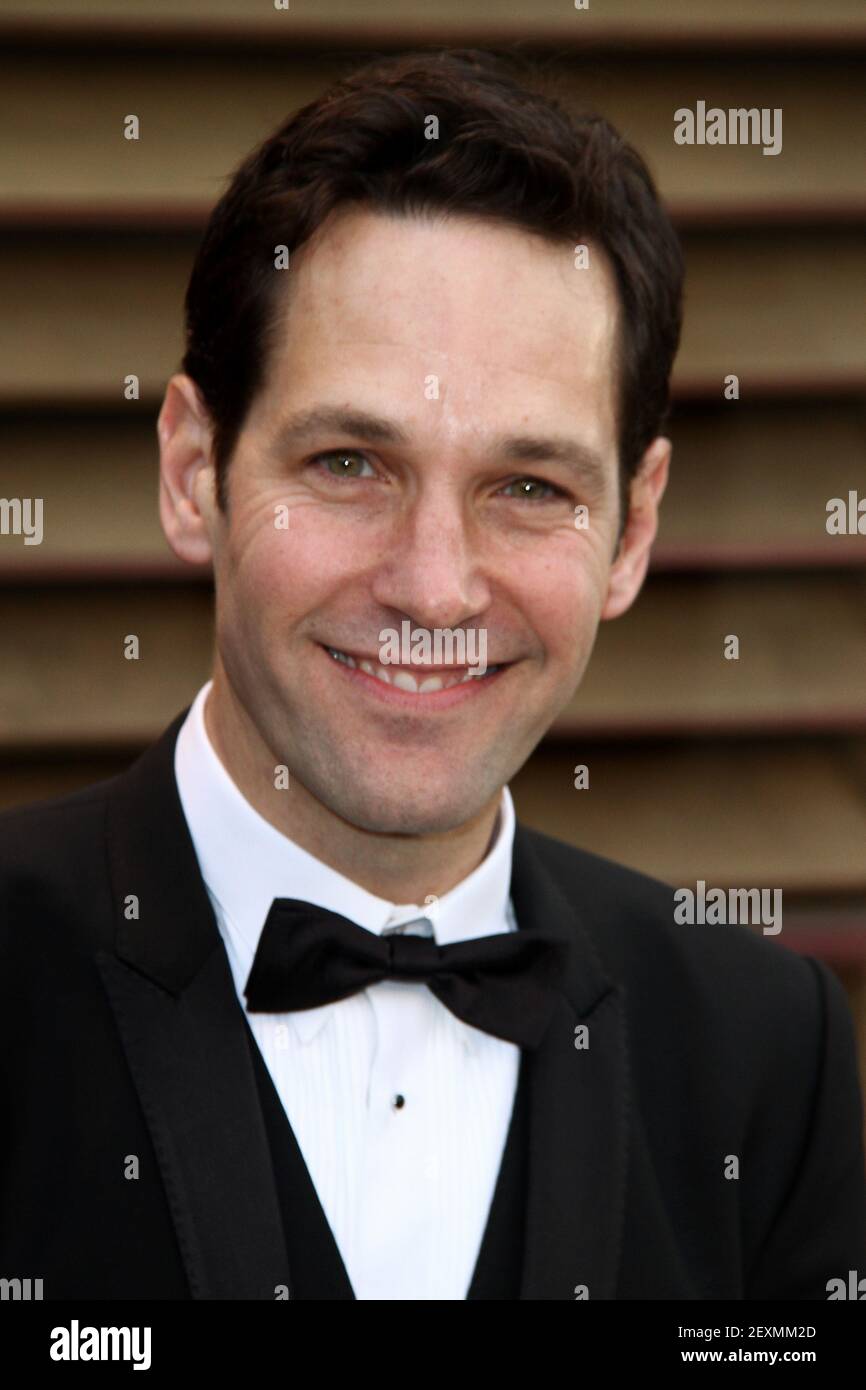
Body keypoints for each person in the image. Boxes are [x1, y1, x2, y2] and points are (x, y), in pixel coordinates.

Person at [1, 49, 864, 1301]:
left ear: (630, 532)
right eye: (351, 461)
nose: (434, 586)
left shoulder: (767, 1051)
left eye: (528, 488)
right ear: (194, 470)